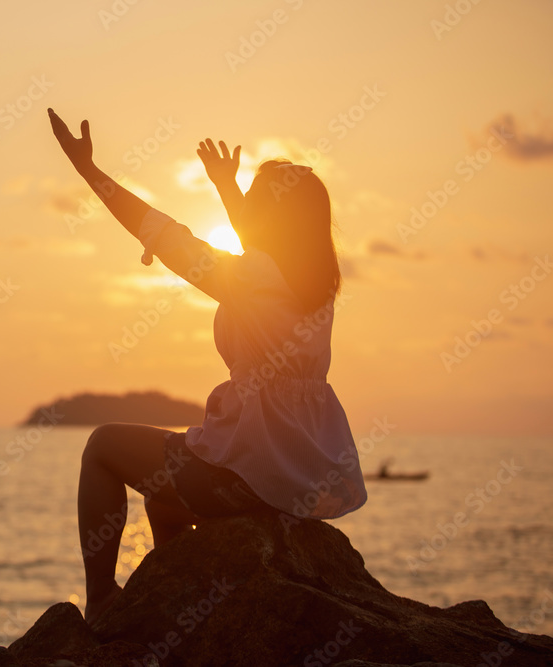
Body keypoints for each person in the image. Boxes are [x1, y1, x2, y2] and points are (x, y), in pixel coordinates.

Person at [47, 108, 368, 624]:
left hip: (251, 477)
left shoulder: (254, 276)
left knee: (103, 446)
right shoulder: (315, 285)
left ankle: (104, 603)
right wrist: (228, 189)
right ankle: (179, 600)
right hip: (300, 475)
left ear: (274, 220)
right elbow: (261, 245)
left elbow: (162, 231)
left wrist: (90, 172)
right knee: (167, 497)